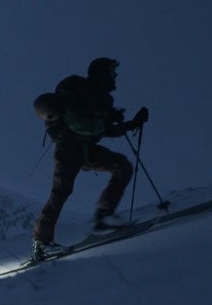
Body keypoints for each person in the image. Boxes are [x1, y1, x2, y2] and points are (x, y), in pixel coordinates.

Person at [31, 57, 149, 262]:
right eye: (112, 72)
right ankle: (42, 244)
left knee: (122, 166)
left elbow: (102, 128)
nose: (115, 76)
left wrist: (130, 124)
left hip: (84, 150)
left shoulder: (101, 98)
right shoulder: (82, 93)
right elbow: (81, 125)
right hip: (69, 150)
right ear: (102, 74)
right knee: (61, 192)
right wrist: (110, 121)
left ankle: (105, 216)